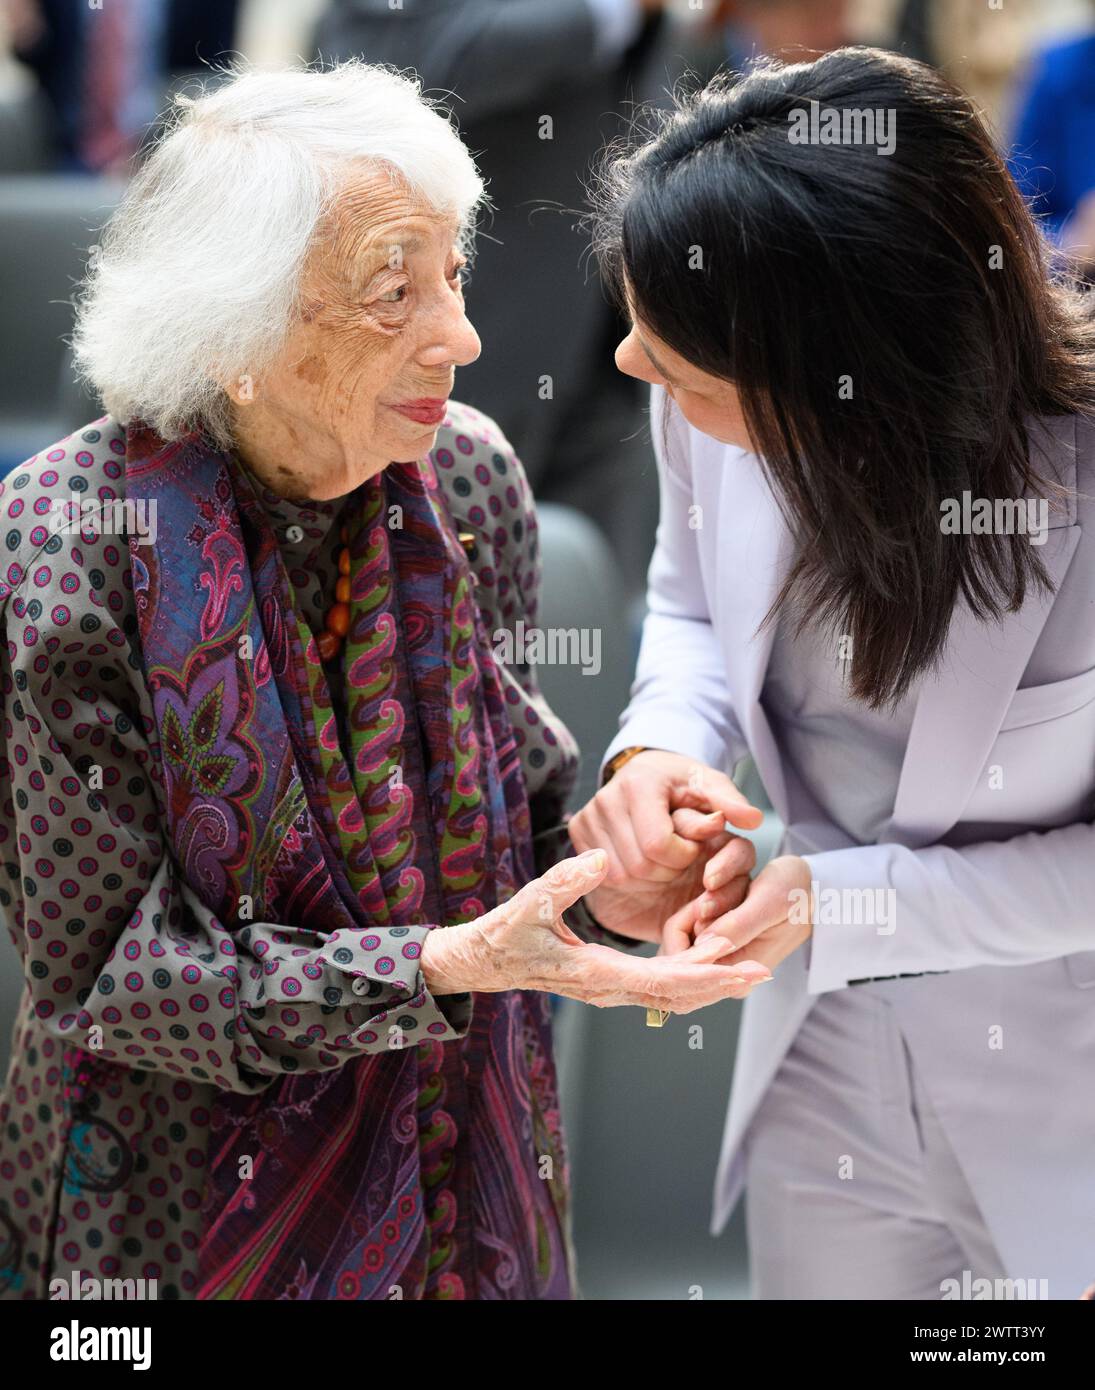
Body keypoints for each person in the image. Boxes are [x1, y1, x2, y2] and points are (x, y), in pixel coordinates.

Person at [0, 61, 769, 1302]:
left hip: (462, 1174)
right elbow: (110, 980)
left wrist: (611, 888)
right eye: (390, 292)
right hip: (165, 1224)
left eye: (454, 275)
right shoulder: (62, 546)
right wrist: (439, 966)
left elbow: (508, 862)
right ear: (233, 336)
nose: (462, 336)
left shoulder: (467, 481)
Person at [571, 47, 1095, 1298]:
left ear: (857, 366)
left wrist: (838, 899)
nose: (636, 369)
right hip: (816, 1059)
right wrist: (663, 754)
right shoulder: (702, 384)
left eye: (685, 364)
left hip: (1062, 1083)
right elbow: (687, 602)